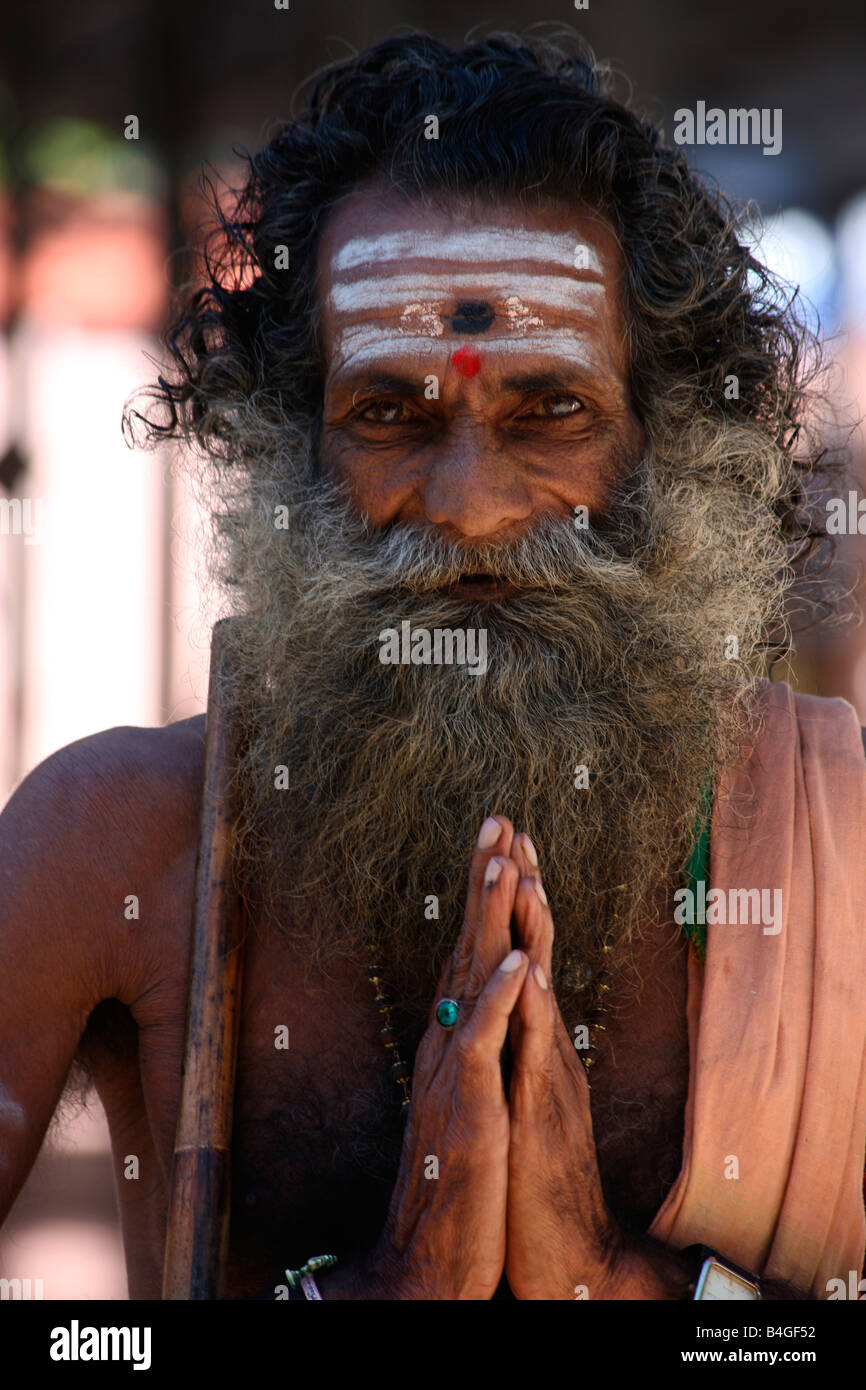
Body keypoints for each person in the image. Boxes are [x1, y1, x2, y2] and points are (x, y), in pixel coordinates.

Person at [1, 32, 864, 1301]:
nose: (466, 504)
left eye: (549, 412)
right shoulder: (118, 842)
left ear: (662, 448)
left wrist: (620, 1284)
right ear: (288, 450)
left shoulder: (835, 844)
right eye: (390, 414)